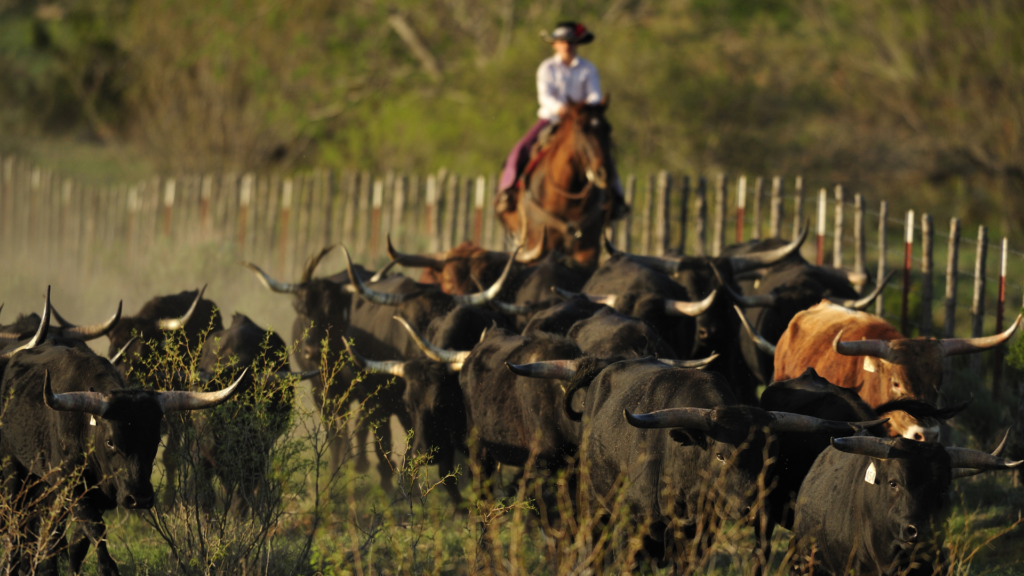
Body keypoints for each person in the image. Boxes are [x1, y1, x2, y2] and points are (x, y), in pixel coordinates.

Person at [497, 21, 627, 219]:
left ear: (577, 44)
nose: (567, 45)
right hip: (552, 118)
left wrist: (583, 110)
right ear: (554, 44)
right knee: (521, 150)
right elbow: (545, 97)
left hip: (581, 122)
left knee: (603, 153)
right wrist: (561, 108)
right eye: (562, 41)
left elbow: (594, 95)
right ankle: (508, 191)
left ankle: (616, 198)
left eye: (571, 42)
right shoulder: (547, 68)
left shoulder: (587, 69)